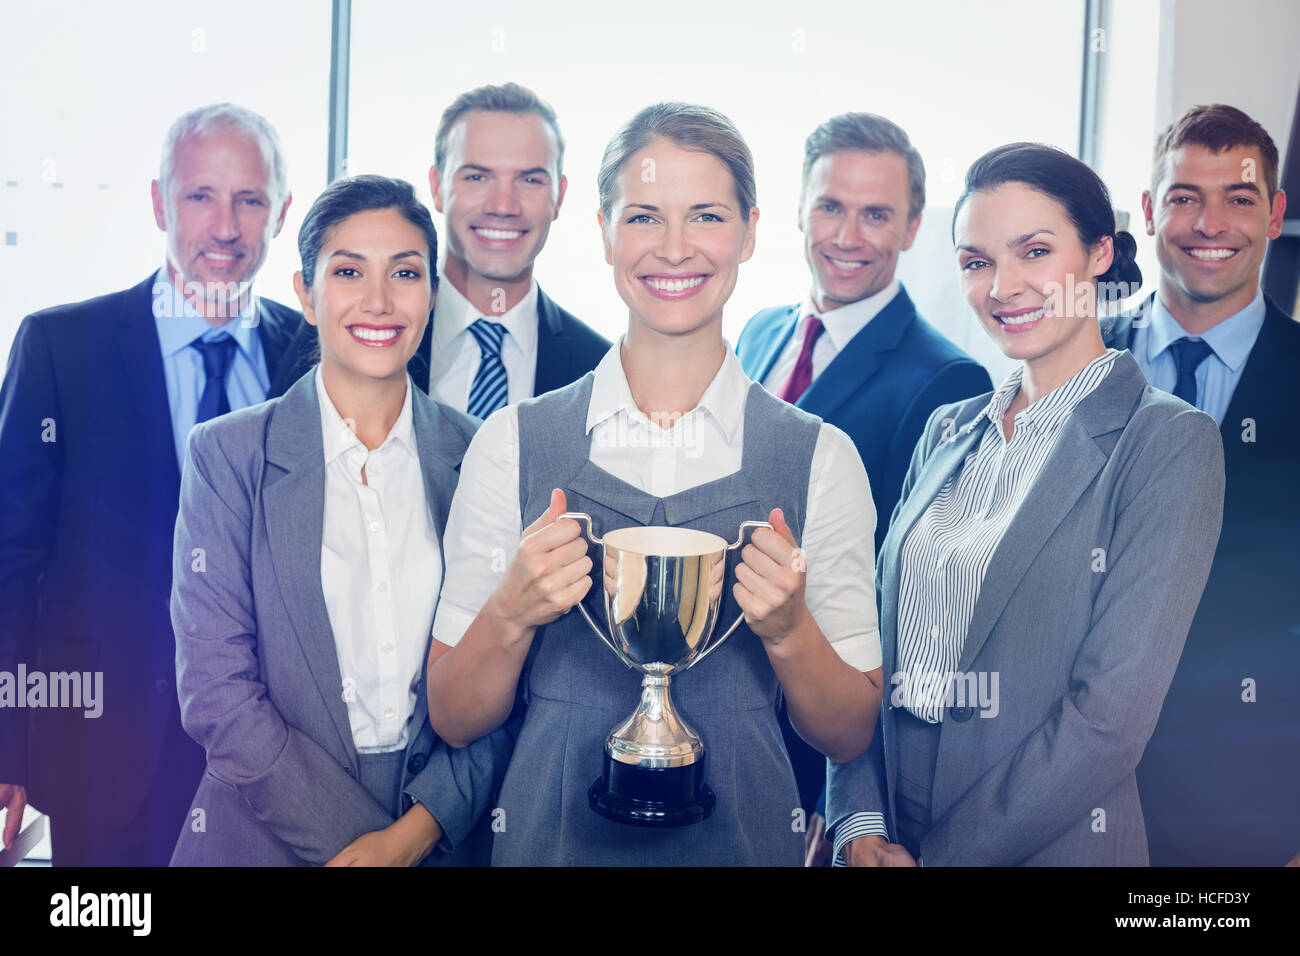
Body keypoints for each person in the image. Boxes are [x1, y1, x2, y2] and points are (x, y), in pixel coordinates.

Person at [424, 102, 884, 866]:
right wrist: (513, 609)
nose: (674, 249)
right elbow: (454, 717)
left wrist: (791, 631)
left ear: (749, 230)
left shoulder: (821, 459)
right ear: (603, 231)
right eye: (644, 217)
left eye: (705, 216)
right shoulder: (511, 444)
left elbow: (848, 731)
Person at [828, 142, 1226, 866]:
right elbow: (864, 651)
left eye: (1033, 251)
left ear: (1100, 253)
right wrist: (857, 822)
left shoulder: (1167, 442)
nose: (1003, 286)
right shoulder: (949, 429)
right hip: (888, 831)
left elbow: (1110, 721)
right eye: (977, 261)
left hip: (1048, 842)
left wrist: (942, 860)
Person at [0, 103, 310, 865]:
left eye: (250, 199)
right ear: (158, 203)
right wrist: (6, 746)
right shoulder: (61, 347)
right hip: (102, 755)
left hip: (278, 759)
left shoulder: (312, 355)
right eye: (201, 196)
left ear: (283, 212)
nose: (227, 228)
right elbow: (9, 562)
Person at [169, 174, 508, 866]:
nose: (379, 301)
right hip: (261, 829)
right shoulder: (229, 455)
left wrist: (411, 838)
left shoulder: (487, 456)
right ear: (305, 292)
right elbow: (216, 692)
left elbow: (506, 682)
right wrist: (367, 848)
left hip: (438, 831)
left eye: (405, 272)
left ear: (433, 292)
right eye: (348, 270)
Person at [735, 113, 992, 861]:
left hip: (816, 734)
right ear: (800, 209)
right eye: (831, 206)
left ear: (913, 227)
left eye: (876, 213)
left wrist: (844, 795)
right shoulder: (758, 331)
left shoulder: (945, 379)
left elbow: (911, 604)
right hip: (720, 704)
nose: (848, 235)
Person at [1101, 104, 1300, 867]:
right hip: (1069, 796)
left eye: (1240, 198)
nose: (1209, 223)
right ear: (1151, 210)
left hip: (1259, 812)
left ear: (1275, 215)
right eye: (1185, 196)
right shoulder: (1073, 368)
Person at [407, 82, 609, 409]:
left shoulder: (603, 372)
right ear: (437, 186)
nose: (503, 206)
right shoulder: (367, 339)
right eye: (477, 177)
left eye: (530, 180)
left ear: (559, 196)